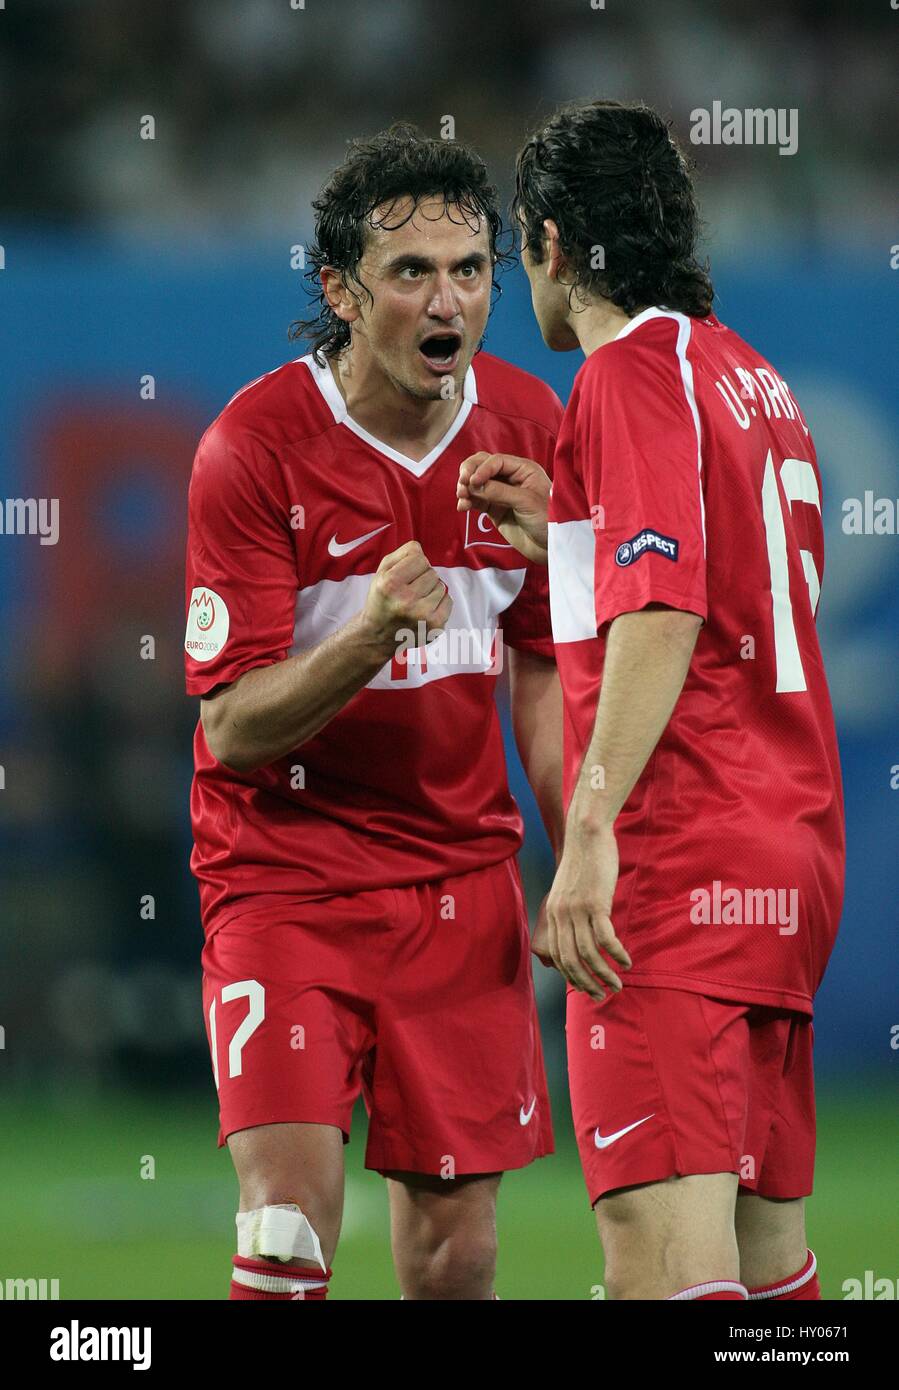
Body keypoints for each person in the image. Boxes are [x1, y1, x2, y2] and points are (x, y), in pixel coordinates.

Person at [457, 99, 845, 1302]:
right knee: (767, 1274)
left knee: (660, 1280)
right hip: (784, 867)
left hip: (674, 871)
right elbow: (719, 593)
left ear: (552, 241)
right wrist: (567, 536)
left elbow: (668, 612)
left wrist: (585, 829)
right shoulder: (748, 378)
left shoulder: (628, 375)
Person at [183, 125, 564, 1301]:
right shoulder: (254, 447)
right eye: (408, 272)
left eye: (467, 269)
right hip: (285, 877)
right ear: (340, 290)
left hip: (459, 884)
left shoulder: (530, 429)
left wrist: (580, 847)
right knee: (287, 1227)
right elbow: (230, 729)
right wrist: (366, 638)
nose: (443, 297)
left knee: (457, 1259)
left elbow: (543, 668)